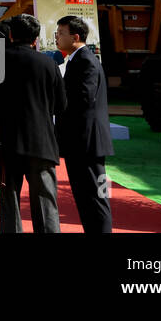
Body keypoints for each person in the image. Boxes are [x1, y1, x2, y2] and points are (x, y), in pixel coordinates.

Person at [0, 14, 66, 233]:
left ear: (11, 35)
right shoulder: (49, 64)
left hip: (5, 139)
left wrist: (0, 104)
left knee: (9, 201)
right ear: (35, 39)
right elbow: (61, 105)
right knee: (45, 202)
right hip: (41, 141)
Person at [55, 15, 114, 233]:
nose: (56, 37)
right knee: (85, 197)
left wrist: (57, 100)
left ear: (76, 37)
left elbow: (83, 98)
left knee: (96, 197)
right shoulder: (76, 59)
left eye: (61, 33)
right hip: (80, 141)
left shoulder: (86, 60)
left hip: (88, 142)